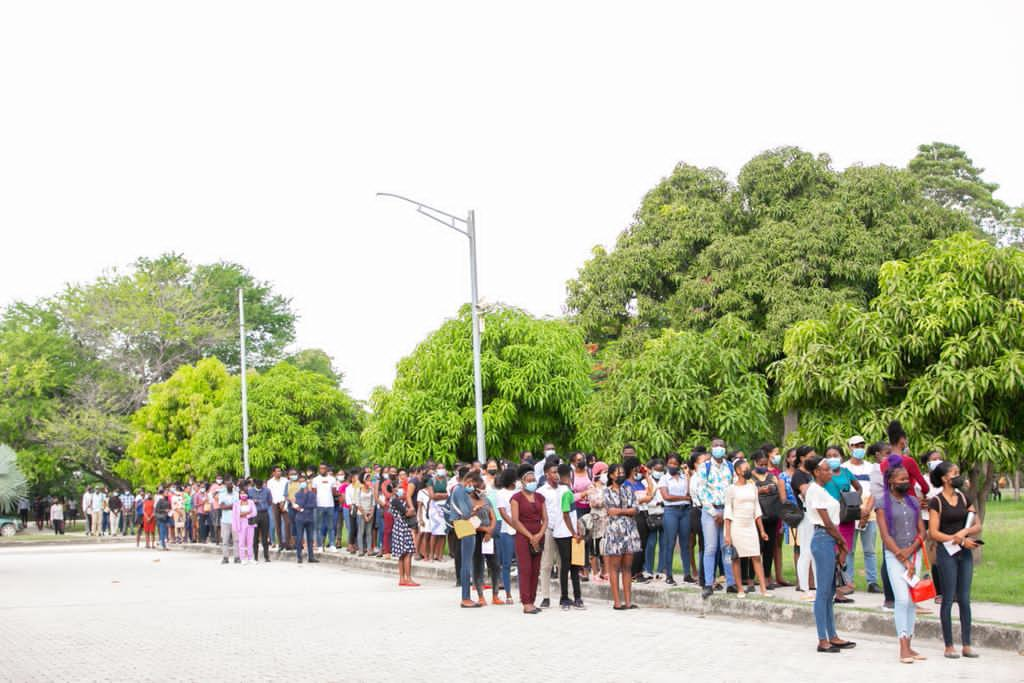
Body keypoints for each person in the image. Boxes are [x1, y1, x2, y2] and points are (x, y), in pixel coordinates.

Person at [928, 461, 982, 659]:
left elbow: (977, 524)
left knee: (965, 599)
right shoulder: (937, 501)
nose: (958, 476)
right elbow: (933, 532)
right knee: (948, 598)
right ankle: (949, 645)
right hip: (946, 553)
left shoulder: (963, 497)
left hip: (964, 551)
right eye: (954, 473)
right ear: (944, 478)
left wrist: (965, 532)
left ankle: (967, 644)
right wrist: (956, 539)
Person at [875, 456, 926, 663]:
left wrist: (912, 552)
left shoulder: (913, 501)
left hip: (915, 554)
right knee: (902, 599)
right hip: (895, 556)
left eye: (908, 479)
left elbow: (922, 531)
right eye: (902, 479)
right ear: (891, 482)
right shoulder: (882, 504)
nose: (906, 482)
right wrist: (903, 558)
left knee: (913, 600)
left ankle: (911, 645)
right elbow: (886, 536)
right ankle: (902, 645)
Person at [804, 455, 856, 653]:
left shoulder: (821, 490)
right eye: (825, 469)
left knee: (830, 592)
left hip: (829, 538)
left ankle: (832, 635)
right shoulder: (815, 490)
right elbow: (827, 522)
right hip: (824, 538)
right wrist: (842, 543)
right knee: (823, 592)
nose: (829, 472)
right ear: (816, 472)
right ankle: (822, 638)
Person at [695, 438, 738, 597]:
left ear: (725, 449)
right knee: (711, 548)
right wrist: (714, 513)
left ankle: (731, 583)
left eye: (721, 445)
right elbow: (701, 491)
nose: (719, 448)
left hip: (726, 512)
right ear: (711, 448)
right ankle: (708, 583)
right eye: (716, 446)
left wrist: (726, 512)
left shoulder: (731, 467)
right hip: (710, 512)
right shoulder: (704, 467)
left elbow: (733, 490)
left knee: (727, 547)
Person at [724, 459, 772, 597]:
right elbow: (728, 513)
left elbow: (757, 510)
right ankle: (740, 589)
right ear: (738, 471)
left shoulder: (752, 487)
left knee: (756, 556)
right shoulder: (731, 489)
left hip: (750, 525)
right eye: (745, 468)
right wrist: (727, 535)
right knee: (736, 558)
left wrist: (762, 531)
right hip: (736, 526)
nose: (748, 471)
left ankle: (763, 589)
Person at [843, 436, 881, 594]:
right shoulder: (844, 468)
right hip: (850, 511)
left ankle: (872, 582)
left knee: (870, 549)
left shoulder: (872, 467)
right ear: (849, 447)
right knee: (849, 549)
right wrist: (857, 510)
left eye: (861, 445)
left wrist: (866, 510)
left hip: (869, 511)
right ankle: (848, 581)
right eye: (855, 445)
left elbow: (875, 490)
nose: (859, 448)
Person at [823, 444, 861, 601]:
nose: (833, 458)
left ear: (841, 457)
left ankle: (839, 583)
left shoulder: (846, 472)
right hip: (831, 517)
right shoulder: (824, 475)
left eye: (835, 455)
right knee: (832, 551)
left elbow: (858, 488)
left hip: (846, 517)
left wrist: (852, 499)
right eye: (829, 455)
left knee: (845, 550)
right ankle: (834, 587)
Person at [603, 462, 642, 610]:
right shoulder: (607, 492)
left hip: (630, 531)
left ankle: (628, 601)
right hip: (615, 532)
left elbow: (636, 509)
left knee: (627, 567)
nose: (621, 476)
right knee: (615, 567)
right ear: (611, 475)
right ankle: (617, 602)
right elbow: (610, 510)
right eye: (617, 473)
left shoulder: (628, 489)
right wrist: (626, 510)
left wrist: (620, 511)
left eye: (622, 473)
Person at [510, 465, 547, 614]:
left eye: (534, 479)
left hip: (539, 534)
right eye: (529, 480)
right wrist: (530, 536)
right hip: (523, 536)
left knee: (535, 569)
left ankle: (532, 599)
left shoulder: (540, 497)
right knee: (526, 569)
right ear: (522, 482)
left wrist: (539, 535)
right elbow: (515, 520)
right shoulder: (516, 498)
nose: (532, 482)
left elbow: (545, 519)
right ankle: (526, 602)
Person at [750, 450, 784, 589]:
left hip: (772, 516)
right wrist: (760, 491)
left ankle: (767, 577)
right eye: (760, 464)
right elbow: (746, 493)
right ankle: (751, 578)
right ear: (755, 463)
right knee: (756, 548)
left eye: (765, 464)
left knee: (769, 549)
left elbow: (780, 493)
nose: (763, 466)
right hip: (757, 517)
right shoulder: (750, 477)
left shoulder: (773, 477)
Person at [451, 470, 484, 608]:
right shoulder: (459, 491)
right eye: (471, 483)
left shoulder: (460, 490)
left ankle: (467, 596)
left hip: (464, 524)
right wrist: (476, 509)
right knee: (466, 563)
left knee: (467, 561)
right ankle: (465, 598)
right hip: (464, 524)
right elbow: (465, 513)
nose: (472, 486)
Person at [658, 453, 692, 585]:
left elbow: (689, 493)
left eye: (675, 464)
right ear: (667, 464)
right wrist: (683, 498)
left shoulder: (684, 477)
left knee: (685, 544)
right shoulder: (664, 479)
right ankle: (669, 574)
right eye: (670, 463)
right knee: (670, 543)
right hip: (671, 511)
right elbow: (666, 496)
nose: (672, 466)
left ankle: (687, 573)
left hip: (685, 511)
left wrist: (688, 474)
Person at [536, 460, 563, 608]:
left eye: (557, 471)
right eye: (553, 472)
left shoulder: (564, 489)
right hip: (547, 528)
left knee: (562, 563)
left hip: (563, 529)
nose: (556, 474)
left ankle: (564, 595)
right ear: (547, 474)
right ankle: (545, 596)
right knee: (546, 564)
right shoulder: (541, 492)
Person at [791, 446, 816, 597]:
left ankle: (815, 584)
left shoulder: (812, 473)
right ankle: (804, 586)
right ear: (802, 458)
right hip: (806, 516)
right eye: (811, 456)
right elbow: (807, 493)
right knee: (805, 551)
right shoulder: (799, 475)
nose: (814, 458)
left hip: (815, 516)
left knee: (814, 551)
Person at [494, 468, 519, 604]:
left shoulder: (519, 492)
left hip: (519, 531)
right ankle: (508, 594)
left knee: (521, 563)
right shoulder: (501, 494)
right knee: (507, 564)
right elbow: (503, 513)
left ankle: (522, 593)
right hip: (507, 531)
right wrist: (515, 525)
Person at [389, 480, 419, 587]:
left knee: (402, 554)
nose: (402, 489)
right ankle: (408, 578)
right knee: (407, 553)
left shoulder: (395, 500)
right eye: (400, 487)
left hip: (399, 527)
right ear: (393, 489)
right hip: (403, 527)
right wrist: (411, 510)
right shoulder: (396, 501)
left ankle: (402, 578)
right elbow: (408, 513)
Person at [585, 462, 609, 582]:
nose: (607, 474)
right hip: (596, 521)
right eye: (605, 472)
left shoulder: (608, 487)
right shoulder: (592, 487)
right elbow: (595, 502)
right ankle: (595, 572)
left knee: (605, 548)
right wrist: (607, 500)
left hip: (607, 521)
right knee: (594, 548)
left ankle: (605, 572)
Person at [292, 476, 320, 564]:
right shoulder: (297, 494)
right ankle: (299, 557)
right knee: (299, 538)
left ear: (307, 483)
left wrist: (301, 507)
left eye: (303, 481)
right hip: (300, 518)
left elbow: (314, 505)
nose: (302, 483)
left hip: (310, 518)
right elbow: (298, 504)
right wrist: (300, 506)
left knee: (310, 538)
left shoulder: (312, 494)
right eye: (300, 482)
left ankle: (311, 557)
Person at [312, 463, 338, 552]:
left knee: (331, 526)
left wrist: (341, 494)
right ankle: (319, 546)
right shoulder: (315, 479)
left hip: (330, 505)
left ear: (327, 469)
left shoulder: (332, 479)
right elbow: (314, 492)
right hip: (319, 505)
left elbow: (334, 492)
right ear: (319, 470)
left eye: (324, 468)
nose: (322, 470)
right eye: (321, 468)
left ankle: (332, 545)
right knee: (318, 527)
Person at [248, 479, 273, 562]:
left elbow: (270, 501)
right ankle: (255, 557)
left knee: (265, 536)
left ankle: (266, 556)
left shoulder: (267, 490)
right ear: (255, 484)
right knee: (255, 537)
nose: (259, 487)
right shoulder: (250, 491)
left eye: (261, 486)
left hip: (264, 513)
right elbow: (246, 501)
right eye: (258, 486)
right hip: (254, 514)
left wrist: (264, 505)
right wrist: (252, 502)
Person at [232, 488, 257, 564]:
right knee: (241, 542)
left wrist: (245, 514)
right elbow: (236, 515)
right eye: (241, 493)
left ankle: (250, 558)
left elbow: (254, 512)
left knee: (250, 541)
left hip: (250, 523)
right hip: (241, 524)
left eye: (245, 493)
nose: (243, 495)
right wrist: (247, 513)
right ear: (239, 495)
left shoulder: (251, 502)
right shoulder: (236, 503)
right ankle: (242, 558)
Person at [217, 480, 239, 564]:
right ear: (226, 485)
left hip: (235, 520)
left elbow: (237, 506)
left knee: (236, 540)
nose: (230, 485)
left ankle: (237, 557)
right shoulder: (222, 494)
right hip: (225, 521)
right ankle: (225, 557)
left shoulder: (236, 494)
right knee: (225, 540)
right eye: (228, 484)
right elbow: (222, 507)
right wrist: (232, 506)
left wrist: (228, 506)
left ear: (233, 485)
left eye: (231, 484)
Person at [354, 472, 376, 556]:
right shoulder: (359, 490)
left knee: (369, 532)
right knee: (361, 531)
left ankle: (369, 549)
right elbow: (358, 504)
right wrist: (364, 515)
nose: (369, 481)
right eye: (367, 479)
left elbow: (373, 503)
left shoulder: (371, 490)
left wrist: (371, 514)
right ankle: (361, 550)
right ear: (363, 480)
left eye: (370, 479)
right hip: (361, 513)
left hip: (370, 512)